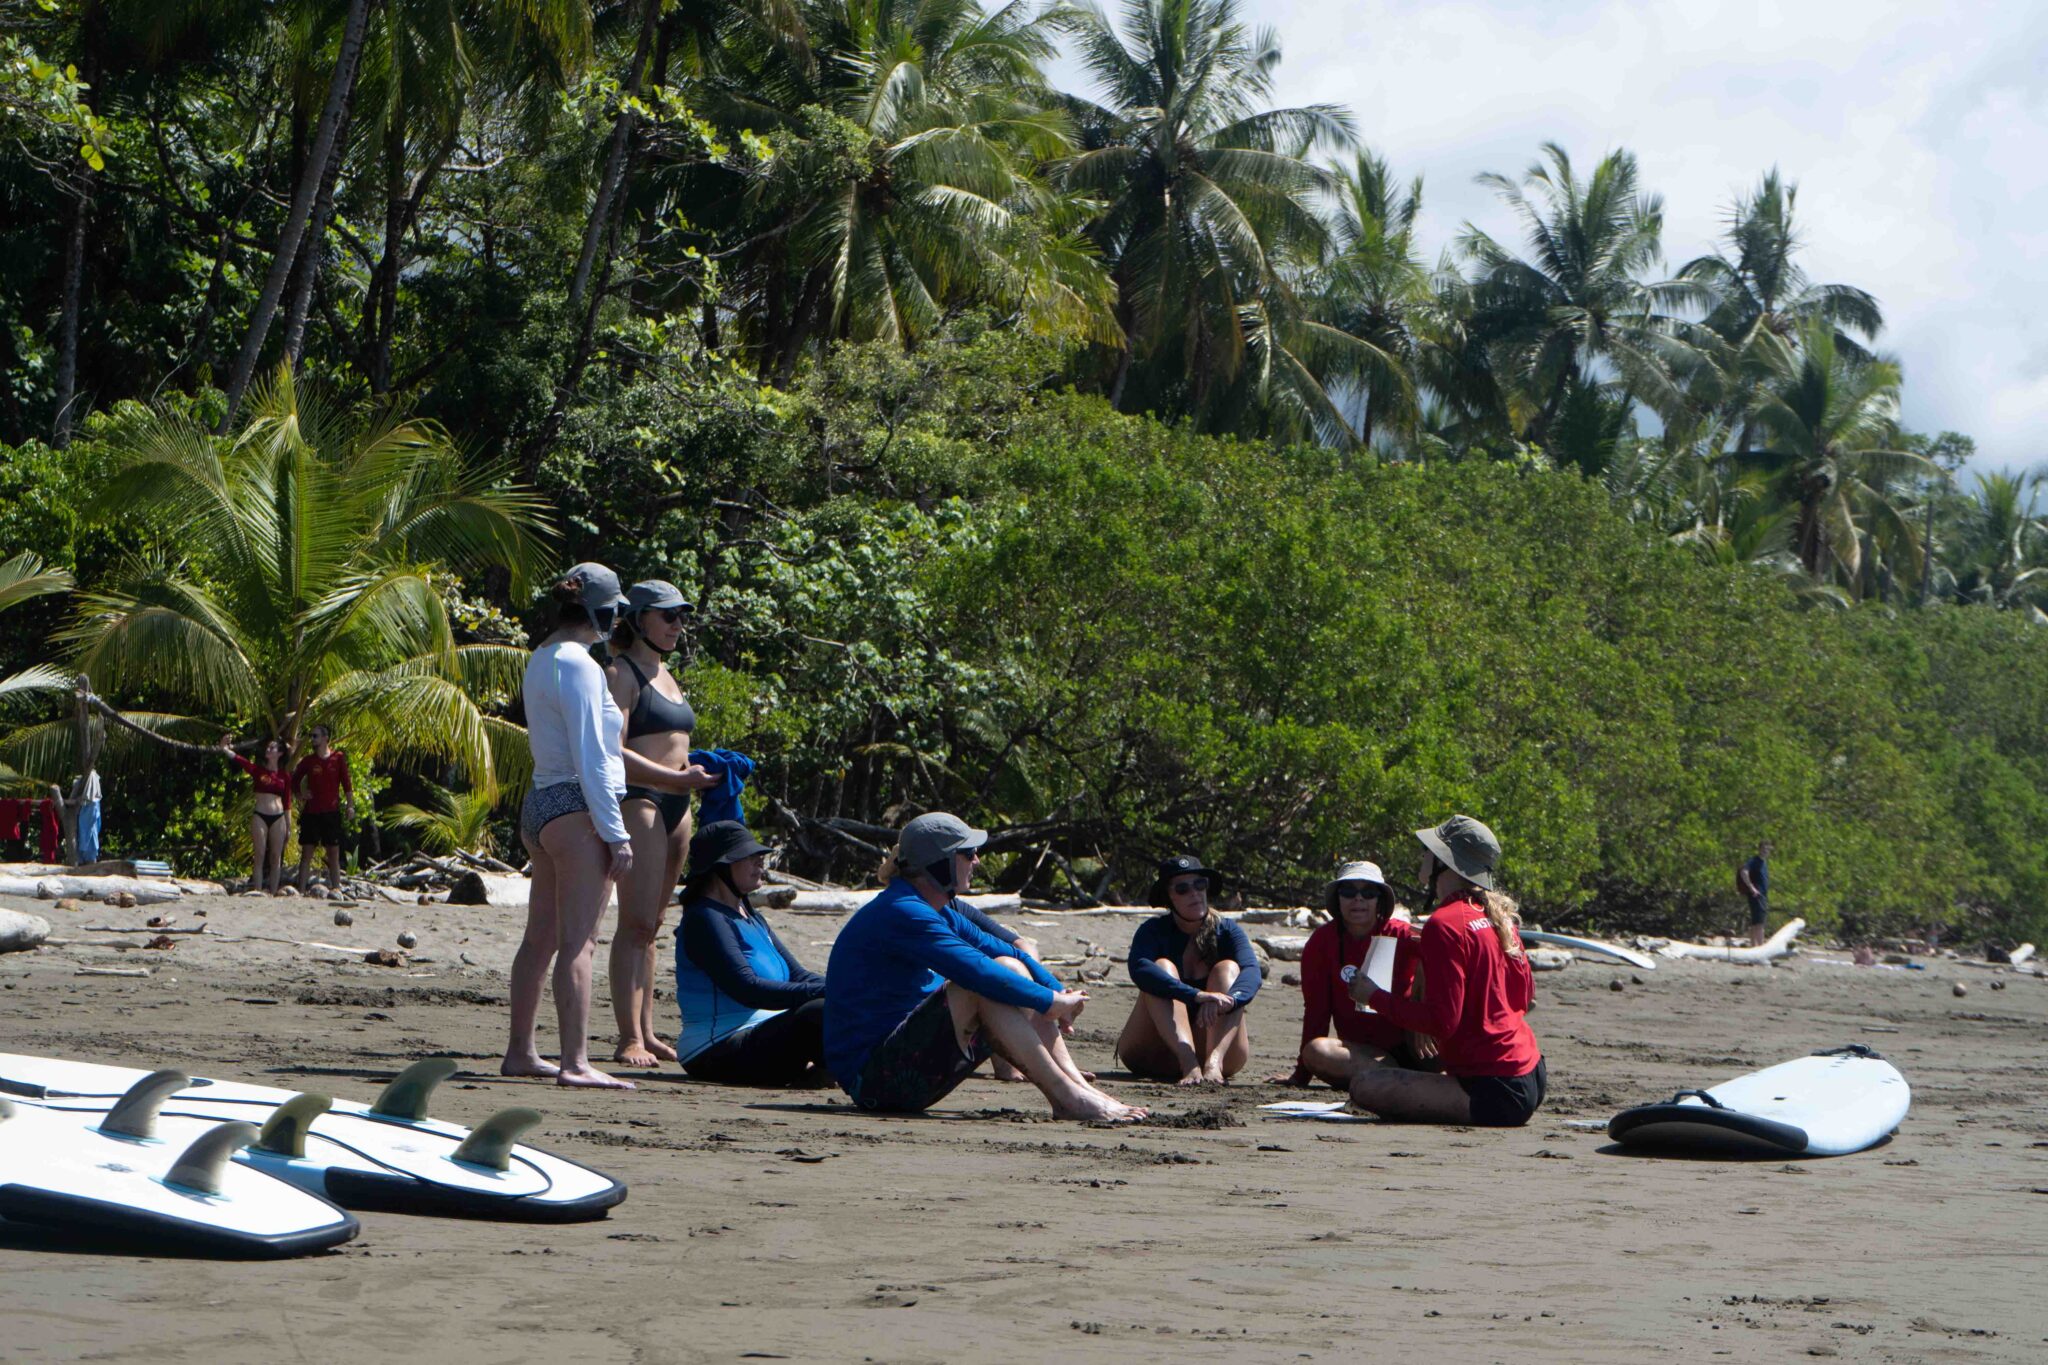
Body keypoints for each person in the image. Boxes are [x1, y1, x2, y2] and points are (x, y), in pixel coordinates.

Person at [825, 812, 1146, 1121]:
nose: (976, 860)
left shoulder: (938, 909)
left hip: (907, 1068)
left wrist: (1058, 991)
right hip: (875, 1084)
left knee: (1009, 965)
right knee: (979, 986)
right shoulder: (903, 912)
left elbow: (1013, 955)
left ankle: (1078, 1088)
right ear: (938, 864)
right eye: (967, 854)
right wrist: (1049, 1002)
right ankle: (1069, 1098)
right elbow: (977, 971)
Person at [503, 563, 636, 1091]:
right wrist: (616, 832)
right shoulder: (580, 664)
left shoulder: (541, 656)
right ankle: (575, 1061)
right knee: (579, 942)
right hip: (575, 807)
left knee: (540, 938)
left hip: (540, 805)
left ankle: (521, 1051)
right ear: (602, 612)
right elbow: (593, 755)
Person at [1348, 816, 1546, 1127]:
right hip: (1531, 1072)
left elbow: (1443, 1022)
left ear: (1444, 863)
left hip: (1495, 1088)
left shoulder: (1445, 924)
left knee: (1366, 1085)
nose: (1423, 855)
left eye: (1429, 850)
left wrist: (1373, 996)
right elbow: (1523, 996)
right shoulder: (1497, 915)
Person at [604, 579, 721, 1067]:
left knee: (653, 924)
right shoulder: (621, 672)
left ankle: (648, 1031)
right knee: (632, 922)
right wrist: (675, 781)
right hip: (643, 801)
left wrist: (705, 774)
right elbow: (614, 751)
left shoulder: (667, 673)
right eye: (668, 616)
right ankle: (627, 1035)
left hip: (678, 805)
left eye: (681, 617)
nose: (677, 625)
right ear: (639, 618)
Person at [675, 820, 828, 1085]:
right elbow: (748, 990)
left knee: (841, 1004)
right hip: (718, 1050)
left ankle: (838, 1069)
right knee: (822, 1011)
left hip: (757, 1039)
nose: (760, 862)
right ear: (720, 867)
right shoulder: (705, 919)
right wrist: (830, 993)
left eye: (760, 856)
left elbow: (798, 975)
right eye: (749, 856)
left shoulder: (750, 916)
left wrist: (848, 987)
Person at [1273, 861, 1431, 1088]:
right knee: (1316, 1051)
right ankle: (1399, 1080)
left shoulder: (1402, 934)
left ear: (1380, 900)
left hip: (1417, 1042)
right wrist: (1300, 1076)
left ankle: (1413, 1080)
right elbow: (1316, 1010)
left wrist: (1420, 1007)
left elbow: (1446, 958)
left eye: (1368, 893)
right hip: (1365, 1054)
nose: (1358, 899)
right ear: (1338, 899)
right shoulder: (1321, 943)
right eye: (1349, 892)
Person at [1116, 855, 1262, 1084]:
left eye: (1199, 885)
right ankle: (1188, 1061)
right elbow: (1139, 968)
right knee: (1161, 968)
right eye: (1182, 888)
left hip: (1218, 1052)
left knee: (1228, 970)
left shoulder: (1228, 930)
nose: (1194, 893)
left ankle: (1214, 1062)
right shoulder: (1153, 930)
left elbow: (1252, 972)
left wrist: (1228, 1000)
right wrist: (1195, 995)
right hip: (1155, 1053)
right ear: (1168, 898)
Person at [218, 735, 292, 894]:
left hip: (279, 817)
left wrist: (289, 826)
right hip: (260, 815)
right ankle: (257, 890)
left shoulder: (284, 775)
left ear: (279, 754)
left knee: (275, 857)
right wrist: (224, 748)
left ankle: (273, 892)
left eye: (272, 748)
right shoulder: (259, 771)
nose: (268, 749)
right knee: (259, 854)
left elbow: (287, 803)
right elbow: (241, 761)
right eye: (268, 747)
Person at [292, 725, 354, 893]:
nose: (312, 739)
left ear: (325, 738)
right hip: (312, 812)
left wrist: (350, 805)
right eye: (311, 736)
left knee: (333, 853)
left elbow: (346, 783)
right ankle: (302, 889)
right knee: (307, 853)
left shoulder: (338, 757)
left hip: (331, 812)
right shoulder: (308, 761)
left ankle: (336, 889)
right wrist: (301, 794)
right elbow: (294, 779)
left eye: (315, 736)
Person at [1738, 839, 1773, 948]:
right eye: (1763, 849)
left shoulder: (1763, 862)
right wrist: (1752, 887)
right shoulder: (1754, 861)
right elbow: (1743, 871)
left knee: (1756, 922)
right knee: (1759, 923)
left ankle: (1754, 946)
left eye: (1767, 849)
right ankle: (1760, 947)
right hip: (1757, 895)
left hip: (1762, 895)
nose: (1765, 851)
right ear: (1759, 849)